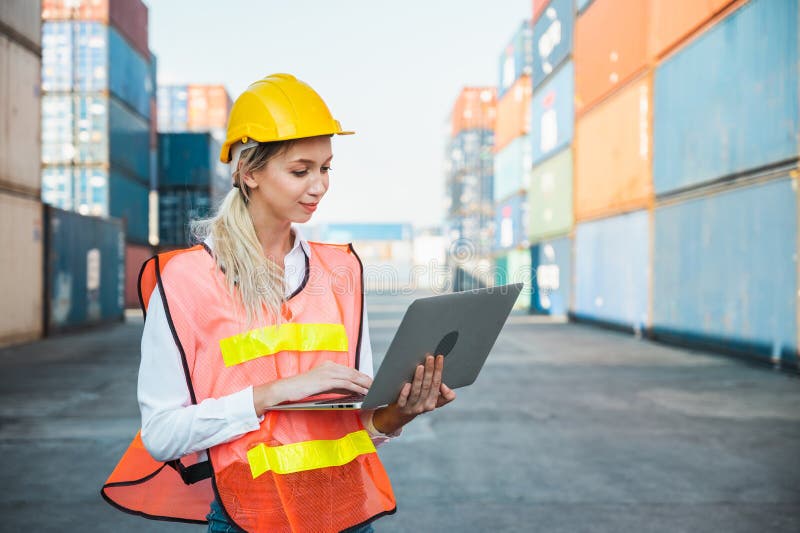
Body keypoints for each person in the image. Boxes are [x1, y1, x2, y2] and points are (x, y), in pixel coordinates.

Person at [101, 73, 456, 533]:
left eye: (326, 168)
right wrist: (272, 394)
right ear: (249, 173)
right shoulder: (187, 281)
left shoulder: (342, 271)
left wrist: (397, 414)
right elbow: (162, 435)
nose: (320, 185)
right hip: (248, 520)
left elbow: (355, 426)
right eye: (300, 170)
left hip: (349, 516)